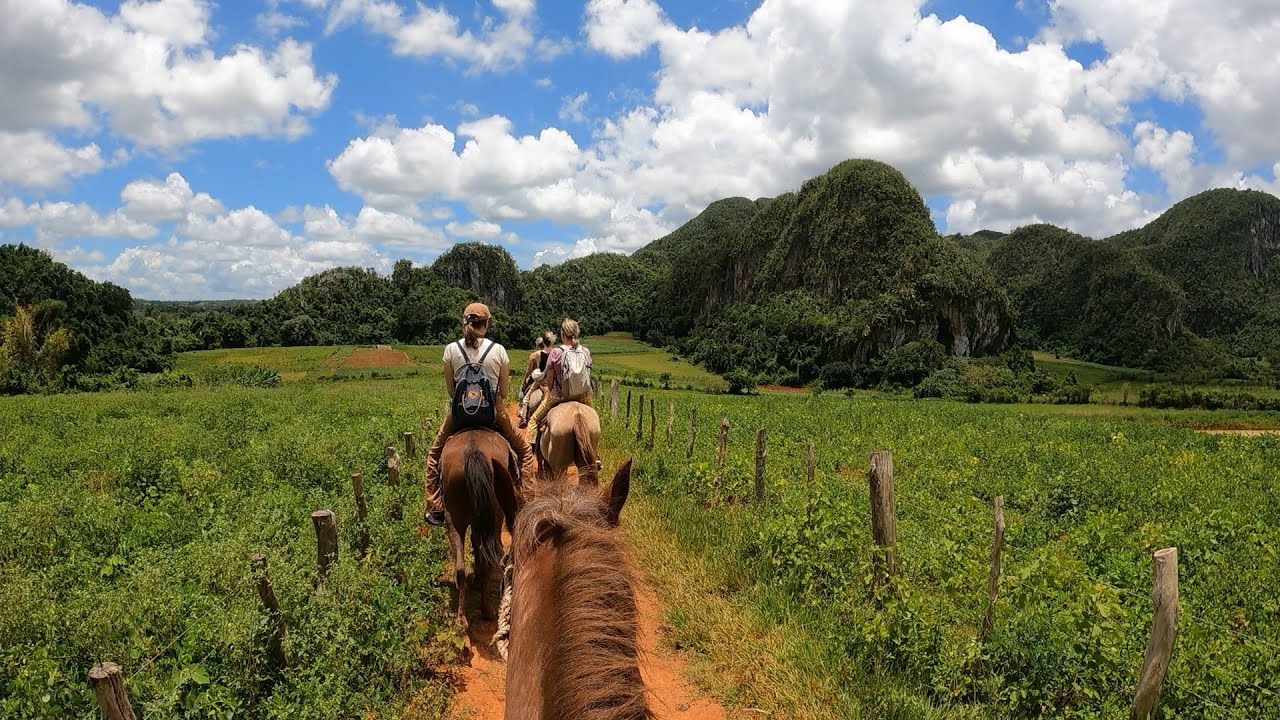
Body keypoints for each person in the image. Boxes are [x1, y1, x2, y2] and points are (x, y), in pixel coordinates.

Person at [423, 302, 537, 527]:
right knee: (524, 452)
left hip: (459, 416)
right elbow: (503, 392)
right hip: (493, 414)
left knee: (434, 455)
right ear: (487, 324)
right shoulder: (499, 350)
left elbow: (450, 390)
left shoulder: (450, 349)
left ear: (464, 322)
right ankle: (526, 501)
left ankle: (434, 505)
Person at [520, 318, 593, 430]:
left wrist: (550, 391)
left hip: (559, 396)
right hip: (583, 396)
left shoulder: (556, 352)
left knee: (533, 421)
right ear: (577, 333)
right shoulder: (585, 351)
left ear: (562, 334)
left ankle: (529, 446)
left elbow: (549, 381)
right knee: (593, 420)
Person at [518, 330, 556, 412]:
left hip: (540, 381)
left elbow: (528, 371)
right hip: (553, 381)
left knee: (525, 396)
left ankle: (523, 413)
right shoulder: (556, 352)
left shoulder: (536, 354)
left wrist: (524, 382)